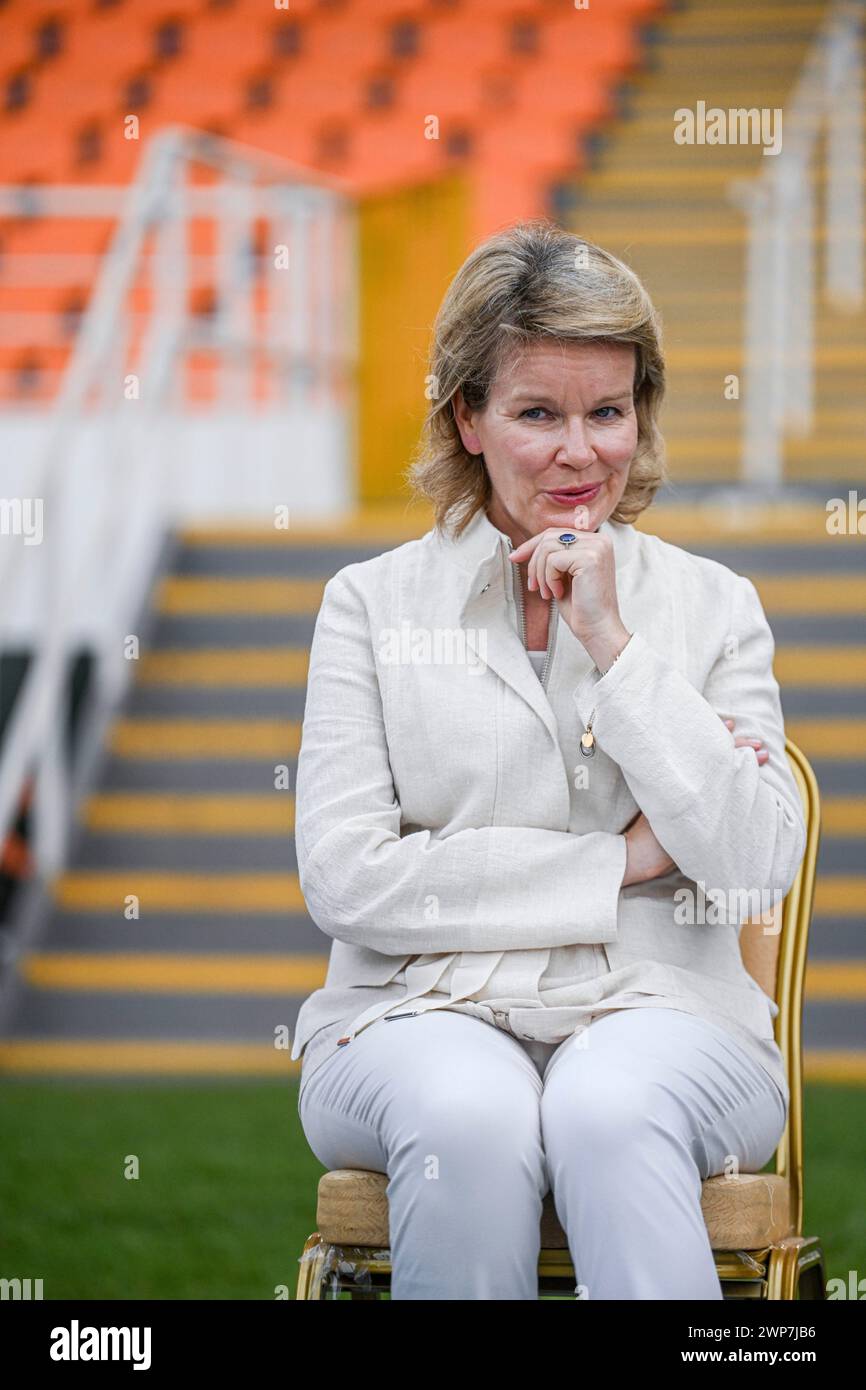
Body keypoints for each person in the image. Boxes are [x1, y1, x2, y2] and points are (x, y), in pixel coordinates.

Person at [290, 219, 806, 1300]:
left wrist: (615, 648)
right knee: (466, 1114)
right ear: (464, 418)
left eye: (606, 412)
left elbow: (752, 867)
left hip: (666, 1011)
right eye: (536, 413)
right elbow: (350, 880)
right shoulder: (367, 606)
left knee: (605, 1105)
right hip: (409, 1014)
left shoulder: (712, 608)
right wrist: (614, 865)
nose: (581, 453)